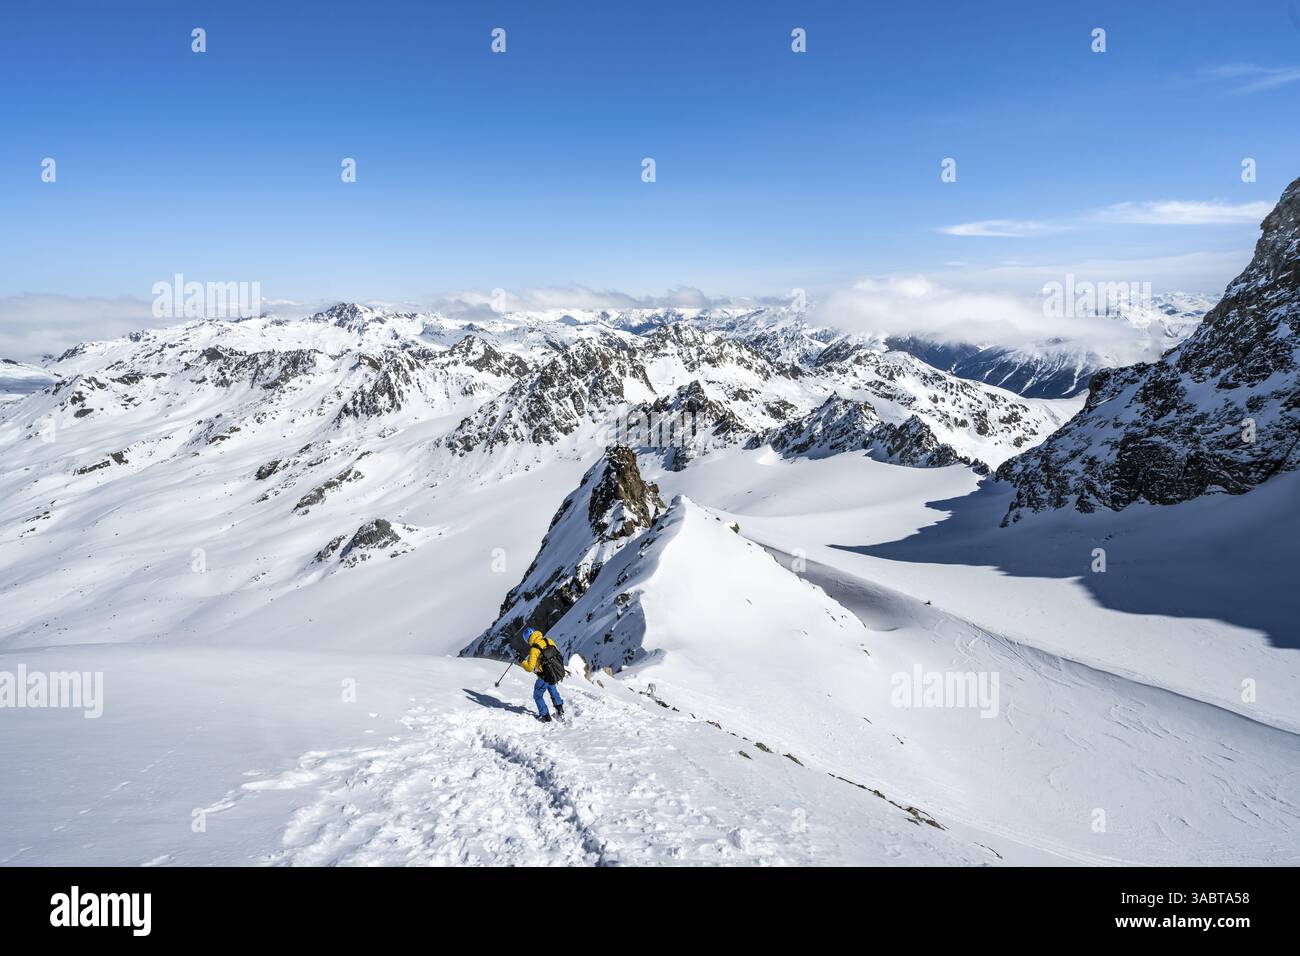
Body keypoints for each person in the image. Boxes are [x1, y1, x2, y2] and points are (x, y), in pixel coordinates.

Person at [518, 629, 565, 722]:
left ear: (528, 639)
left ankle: (546, 717)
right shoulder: (548, 640)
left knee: (537, 695)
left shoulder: (534, 649)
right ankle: (560, 712)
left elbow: (529, 668)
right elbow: (558, 654)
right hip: (554, 673)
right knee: (553, 690)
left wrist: (521, 661)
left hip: (544, 676)